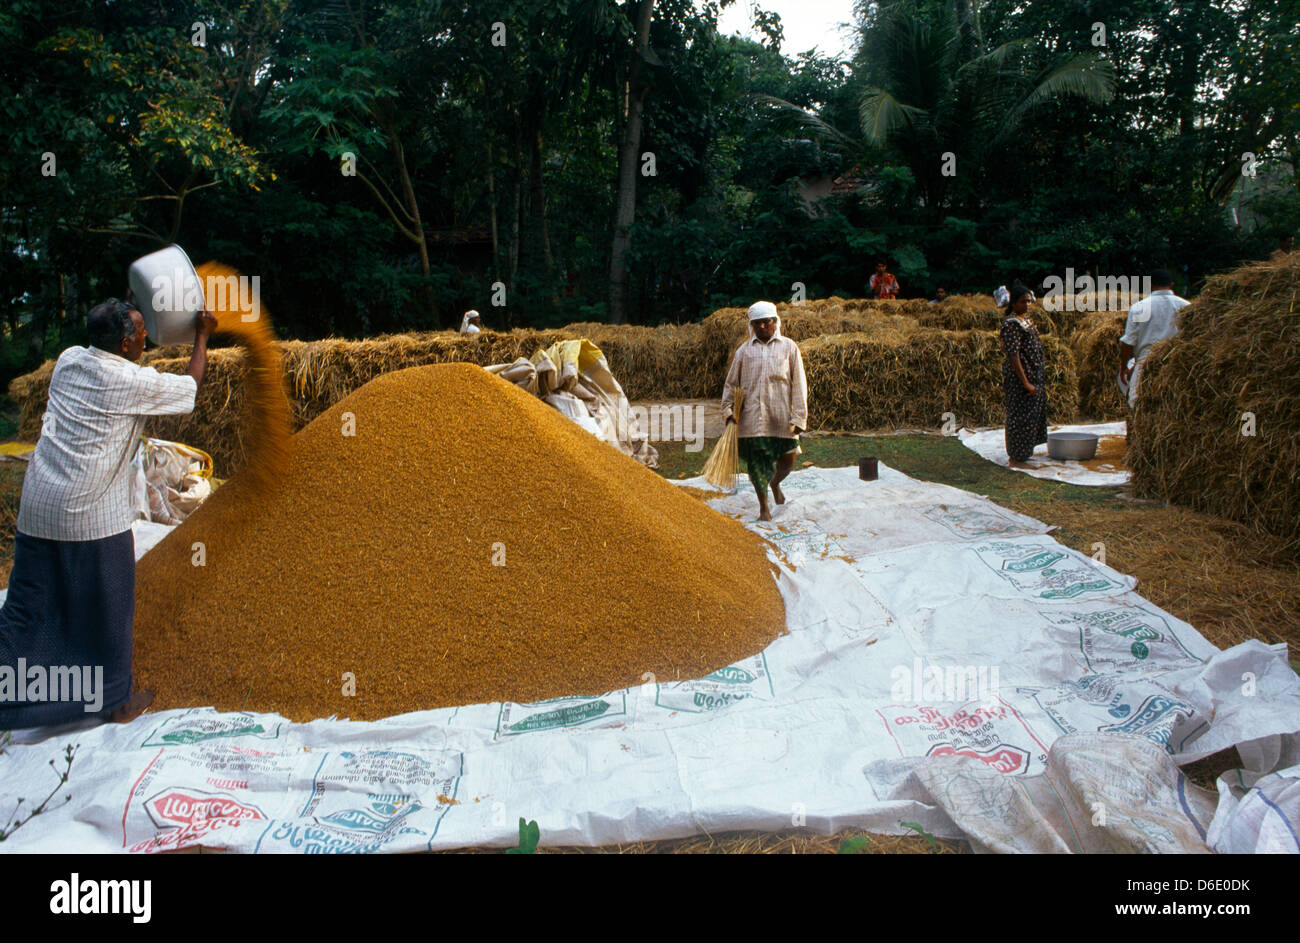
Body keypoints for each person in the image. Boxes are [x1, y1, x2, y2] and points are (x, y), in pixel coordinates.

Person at [0, 299, 216, 729]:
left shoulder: (68, 361)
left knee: (25, 606)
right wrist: (203, 335)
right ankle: (116, 700)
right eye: (139, 333)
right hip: (90, 512)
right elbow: (190, 388)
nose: (145, 338)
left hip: (39, 505)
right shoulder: (129, 380)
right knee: (112, 606)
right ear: (123, 345)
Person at [720, 301, 808, 522]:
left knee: (788, 461)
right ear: (752, 325)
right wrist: (728, 411)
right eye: (757, 323)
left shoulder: (789, 347)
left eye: (766, 322)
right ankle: (764, 507)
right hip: (752, 418)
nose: (762, 327)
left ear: (775, 322)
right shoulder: (744, 351)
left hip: (782, 417)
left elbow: (799, 384)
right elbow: (731, 384)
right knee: (757, 463)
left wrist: (799, 417)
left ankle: (775, 482)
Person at [1119, 269, 1188, 409]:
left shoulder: (1139, 307)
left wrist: (1124, 368)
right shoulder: (1186, 306)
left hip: (1146, 363)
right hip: (1178, 362)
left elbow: (1128, 342)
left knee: (1139, 402)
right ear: (1172, 285)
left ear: (1150, 285)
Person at [1000, 285, 1047, 468]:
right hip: (1021, 379)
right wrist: (1025, 382)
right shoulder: (1011, 324)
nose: (1027, 304)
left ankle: (1024, 453)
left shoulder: (1024, 321)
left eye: (1029, 301)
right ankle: (1016, 458)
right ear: (1014, 303)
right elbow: (1013, 354)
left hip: (1033, 375)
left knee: (1030, 416)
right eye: (1023, 301)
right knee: (1020, 417)